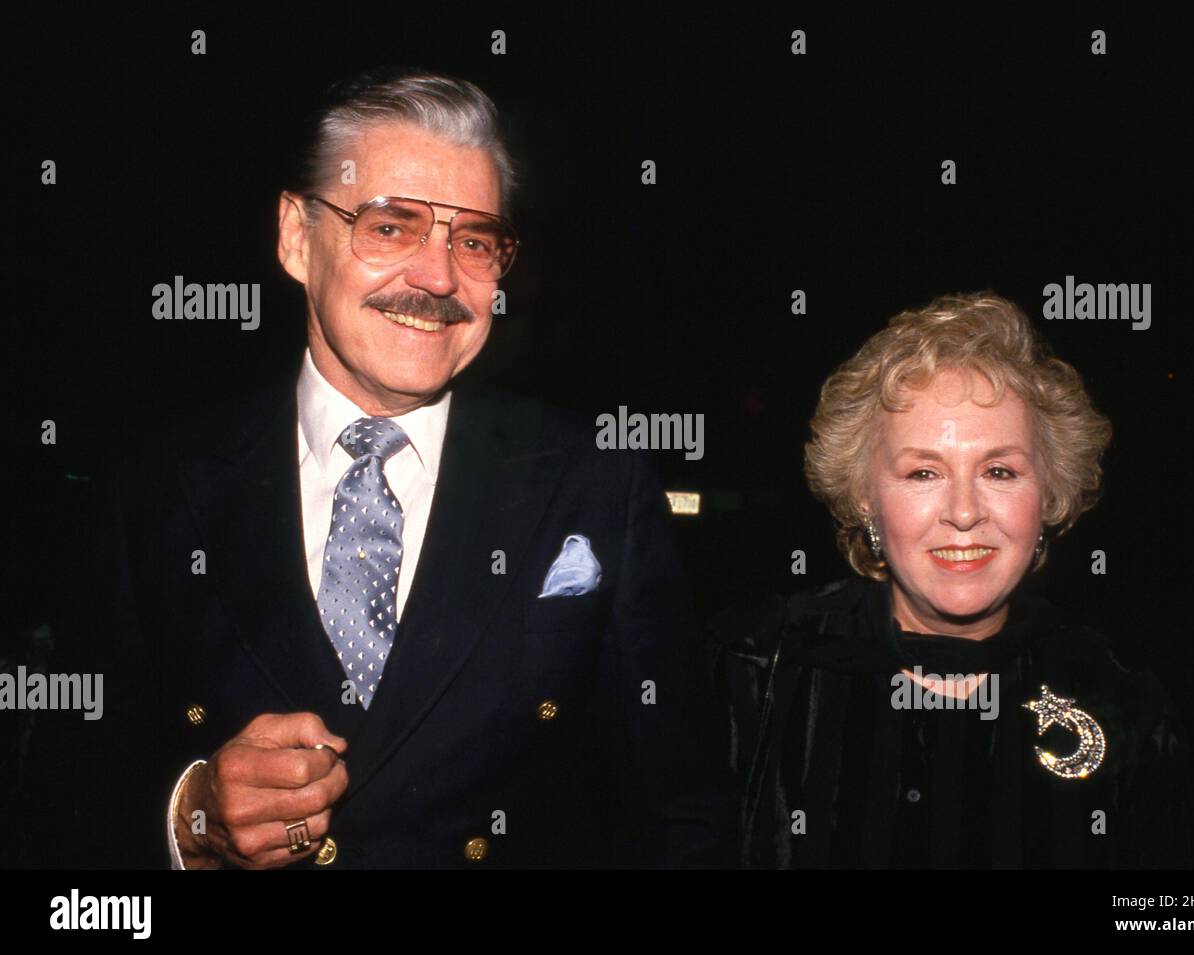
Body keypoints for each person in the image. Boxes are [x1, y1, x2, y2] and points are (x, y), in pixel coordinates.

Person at [27, 68, 735, 869]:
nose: (438, 278)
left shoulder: (596, 486)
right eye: (391, 227)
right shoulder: (154, 486)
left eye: (473, 241)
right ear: (297, 236)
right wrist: (190, 818)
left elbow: (685, 820)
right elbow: (60, 809)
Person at [711, 292, 1194, 868]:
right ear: (866, 498)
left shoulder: (1123, 703)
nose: (964, 512)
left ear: (1049, 496)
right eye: (922, 472)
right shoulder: (751, 674)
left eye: (998, 470)